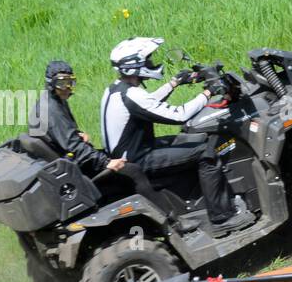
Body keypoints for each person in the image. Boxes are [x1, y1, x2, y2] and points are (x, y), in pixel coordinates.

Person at [100, 37, 254, 237]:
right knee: (207, 152)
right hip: (138, 160)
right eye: (147, 60)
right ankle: (223, 217)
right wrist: (208, 93)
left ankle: (198, 200)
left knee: (192, 139)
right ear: (133, 67)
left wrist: (175, 83)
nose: (151, 64)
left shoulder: (115, 89)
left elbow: (149, 103)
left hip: (133, 152)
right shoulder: (133, 95)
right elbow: (179, 115)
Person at [29, 61, 127, 177]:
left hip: (66, 157)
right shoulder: (51, 110)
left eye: (71, 82)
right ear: (51, 83)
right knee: (133, 171)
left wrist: (77, 134)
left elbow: (64, 135)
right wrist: (106, 162)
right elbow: (73, 146)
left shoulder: (54, 100)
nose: (67, 88)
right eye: (62, 83)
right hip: (68, 166)